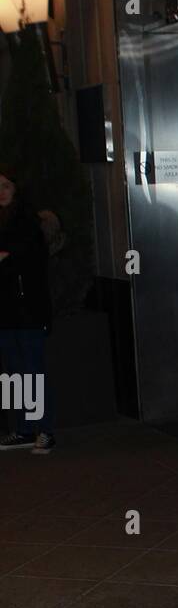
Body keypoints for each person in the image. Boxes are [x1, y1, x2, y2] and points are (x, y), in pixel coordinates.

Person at [0, 164, 56, 453]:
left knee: (32, 372)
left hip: (28, 310)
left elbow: (24, 261)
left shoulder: (28, 223)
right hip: (5, 311)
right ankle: (21, 429)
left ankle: (44, 429)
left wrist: (8, 257)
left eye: (6, 186)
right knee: (12, 374)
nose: (1, 192)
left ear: (17, 189)